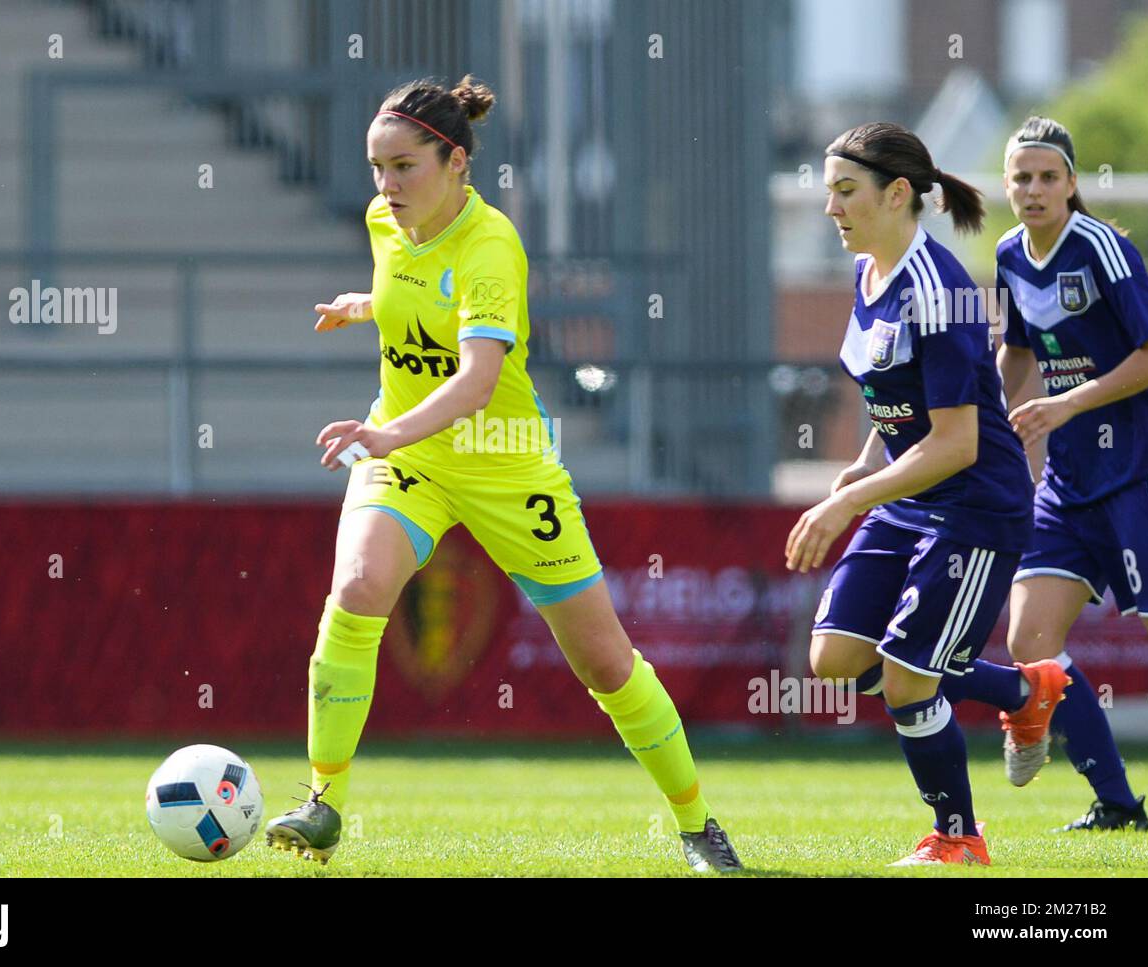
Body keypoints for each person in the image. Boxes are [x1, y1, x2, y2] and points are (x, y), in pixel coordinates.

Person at [264, 75, 741, 873]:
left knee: (603, 661)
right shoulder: (387, 221)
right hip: (412, 457)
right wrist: (364, 305)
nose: (385, 185)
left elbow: (478, 381)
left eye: (404, 166)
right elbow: (409, 294)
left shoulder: (493, 247)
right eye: (376, 167)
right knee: (356, 589)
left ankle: (698, 824)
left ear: (456, 162)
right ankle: (323, 802)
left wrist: (384, 433)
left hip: (505, 460)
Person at [789, 121, 1070, 866]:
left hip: (973, 504)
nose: (832, 209)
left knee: (912, 678)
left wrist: (847, 501)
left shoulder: (942, 289)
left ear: (898, 193)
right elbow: (896, 402)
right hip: (907, 494)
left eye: (846, 192)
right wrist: (860, 466)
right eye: (829, 192)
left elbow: (957, 441)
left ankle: (959, 837)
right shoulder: (868, 273)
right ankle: (1020, 692)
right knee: (835, 658)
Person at [994, 116, 1148, 831]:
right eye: (1021, 177)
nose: (1034, 189)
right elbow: (1019, 355)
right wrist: (990, 425)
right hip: (1066, 483)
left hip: (1136, 470)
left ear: (1070, 184)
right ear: (1007, 186)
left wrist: (1065, 404)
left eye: (1047, 177)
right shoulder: (1009, 255)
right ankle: (1118, 805)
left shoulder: (1102, 247)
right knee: (1031, 646)